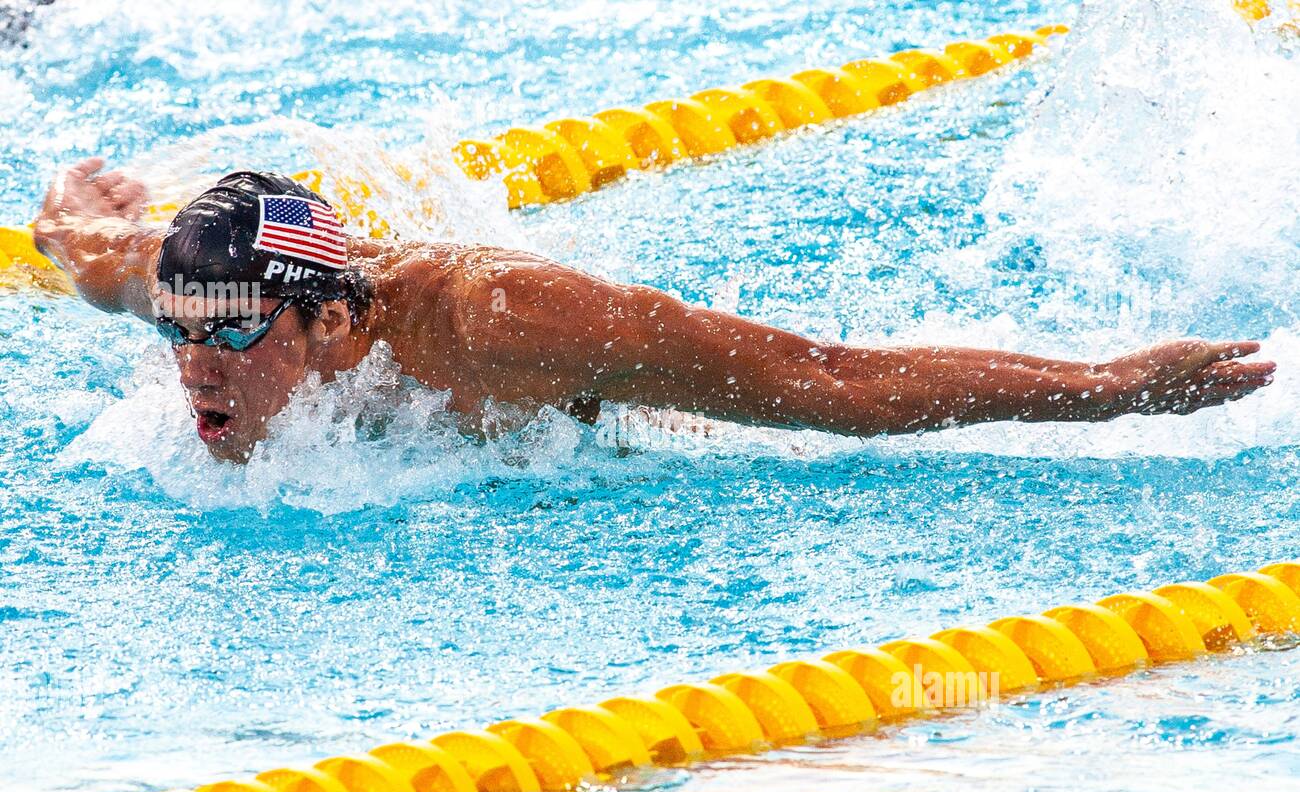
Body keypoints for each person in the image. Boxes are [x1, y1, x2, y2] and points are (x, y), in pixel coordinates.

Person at [33, 158, 1275, 463]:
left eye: (231, 334)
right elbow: (80, 241)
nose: (195, 364)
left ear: (327, 321)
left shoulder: (501, 323)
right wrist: (71, 212)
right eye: (178, 332)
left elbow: (831, 382)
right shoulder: (191, 285)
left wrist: (1112, 385)